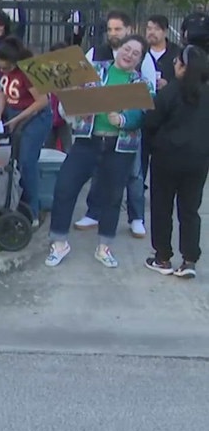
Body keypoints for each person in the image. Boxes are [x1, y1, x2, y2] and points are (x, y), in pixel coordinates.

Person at [44, 35, 151, 268]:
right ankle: (59, 243)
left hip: (119, 147)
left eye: (136, 53)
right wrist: (72, 96)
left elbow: (141, 114)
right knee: (64, 187)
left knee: (112, 197)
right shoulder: (93, 71)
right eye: (127, 49)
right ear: (118, 49)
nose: (129, 55)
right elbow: (70, 102)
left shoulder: (140, 83)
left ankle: (104, 247)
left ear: (140, 59)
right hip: (87, 141)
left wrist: (122, 119)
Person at [74, 11, 145, 238]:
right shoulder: (95, 53)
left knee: (133, 174)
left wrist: (128, 115)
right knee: (98, 171)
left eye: (118, 29)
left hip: (128, 130)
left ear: (128, 30)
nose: (113, 33)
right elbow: (80, 81)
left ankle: (136, 217)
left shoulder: (141, 56)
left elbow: (148, 91)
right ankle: (93, 213)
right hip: (99, 126)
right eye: (110, 29)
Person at [144, 45, 209, 278]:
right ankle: (189, 260)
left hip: (167, 158)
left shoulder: (170, 92)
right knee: (190, 210)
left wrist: (155, 144)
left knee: (162, 207)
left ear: (182, 66)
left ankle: (163, 258)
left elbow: (151, 122)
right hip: (198, 161)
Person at [0, 36, 54, 226]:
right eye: (0, 67)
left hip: (36, 117)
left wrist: (18, 119)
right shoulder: (3, 70)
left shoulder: (27, 72)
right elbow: (3, 92)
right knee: (16, 161)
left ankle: (33, 211)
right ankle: (17, 203)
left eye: (7, 68)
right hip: (15, 116)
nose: (3, 71)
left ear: (16, 63)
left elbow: (43, 100)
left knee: (27, 162)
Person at [44, 42, 74, 152]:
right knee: (47, 147)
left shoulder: (70, 72)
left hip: (64, 115)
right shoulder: (47, 72)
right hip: (51, 115)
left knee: (68, 147)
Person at [143, 15, 180, 89]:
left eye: (157, 29)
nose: (152, 32)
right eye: (149, 29)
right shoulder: (140, 52)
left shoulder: (177, 52)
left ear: (165, 32)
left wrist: (168, 84)